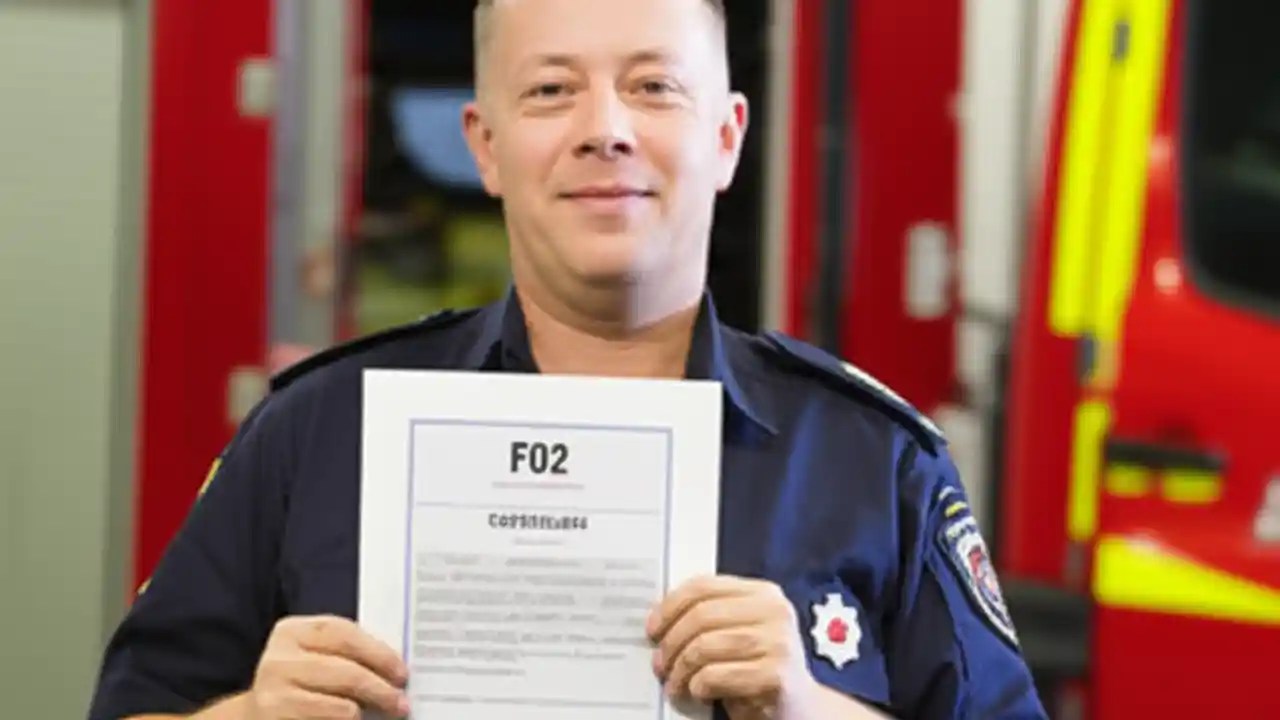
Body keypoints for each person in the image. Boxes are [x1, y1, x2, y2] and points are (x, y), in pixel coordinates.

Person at [87, 0, 1047, 718]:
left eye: (653, 86)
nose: (606, 129)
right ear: (486, 146)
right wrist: (251, 716)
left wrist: (808, 706)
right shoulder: (314, 433)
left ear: (726, 138)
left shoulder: (877, 463)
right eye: (551, 90)